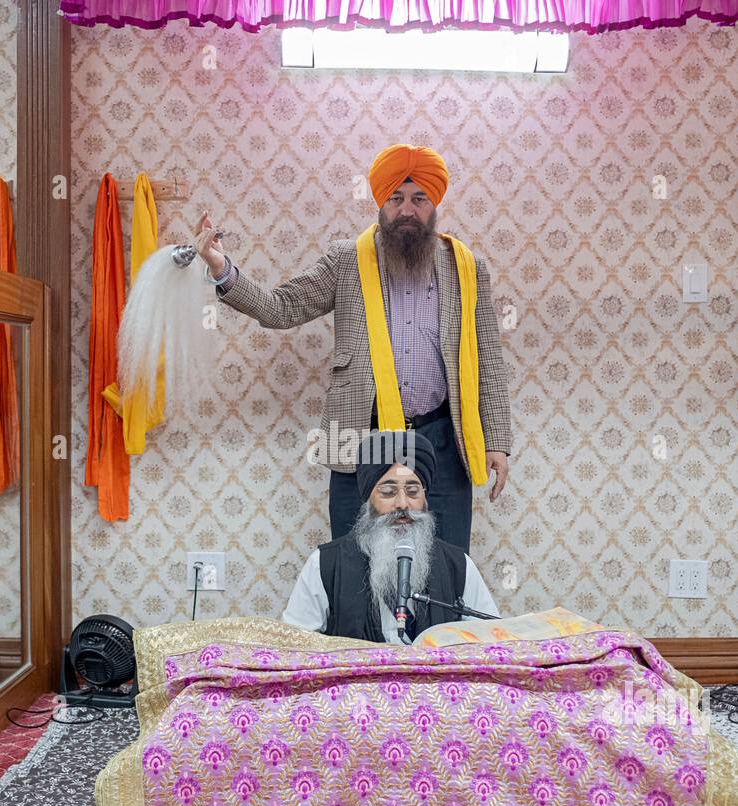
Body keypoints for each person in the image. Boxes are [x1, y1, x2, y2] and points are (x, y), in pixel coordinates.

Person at [194, 143, 512, 552]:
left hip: (442, 437)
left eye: (419, 199)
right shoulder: (346, 260)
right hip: (361, 434)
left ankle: (436, 622)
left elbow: (489, 358)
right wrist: (222, 268)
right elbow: (281, 308)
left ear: (434, 207)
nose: (407, 210)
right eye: (396, 198)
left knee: (446, 564)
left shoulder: (466, 266)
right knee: (352, 562)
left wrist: (497, 442)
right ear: (381, 203)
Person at [282, 431, 498, 644]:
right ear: (368, 499)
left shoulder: (457, 565)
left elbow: (492, 642)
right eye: (388, 492)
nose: (403, 504)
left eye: (413, 492)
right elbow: (293, 647)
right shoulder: (325, 563)